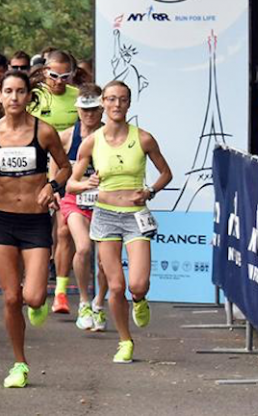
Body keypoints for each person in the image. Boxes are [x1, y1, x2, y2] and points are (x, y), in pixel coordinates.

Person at [0, 70, 71, 388]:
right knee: (12, 297)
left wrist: (52, 185)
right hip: (1, 219)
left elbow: (66, 166)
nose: (14, 97)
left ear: (29, 96)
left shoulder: (44, 132)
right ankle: (19, 363)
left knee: (35, 297)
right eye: (8, 91)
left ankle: (36, 304)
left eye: (20, 91)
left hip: (35, 220)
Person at [70, 80, 172, 364]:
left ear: (129, 103)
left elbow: (166, 173)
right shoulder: (91, 141)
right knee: (115, 286)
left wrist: (150, 190)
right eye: (111, 99)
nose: (116, 104)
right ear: (103, 102)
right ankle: (125, 341)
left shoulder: (143, 138)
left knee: (137, 284)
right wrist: (87, 183)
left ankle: (139, 300)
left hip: (135, 216)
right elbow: (71, 184)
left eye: (122, 99)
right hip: (104, 216)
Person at [52, 84, 109, 328]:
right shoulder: (67, 136)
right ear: (77, 108)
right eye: (85, 109)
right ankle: (81, 300)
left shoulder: (111, 136)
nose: (90, 114)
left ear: (102, 109)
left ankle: (99, 303)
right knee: (81, 246)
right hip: (74, 198)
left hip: (104, 202)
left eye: (95, 109)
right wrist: (54, 188)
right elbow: (57, 164)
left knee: (105, 259)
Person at [29, 50, 80, 132]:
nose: (59, 81)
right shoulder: (32, 95)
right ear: (45, 72)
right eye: (54, 75)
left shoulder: (78, 95)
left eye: (65, 77)